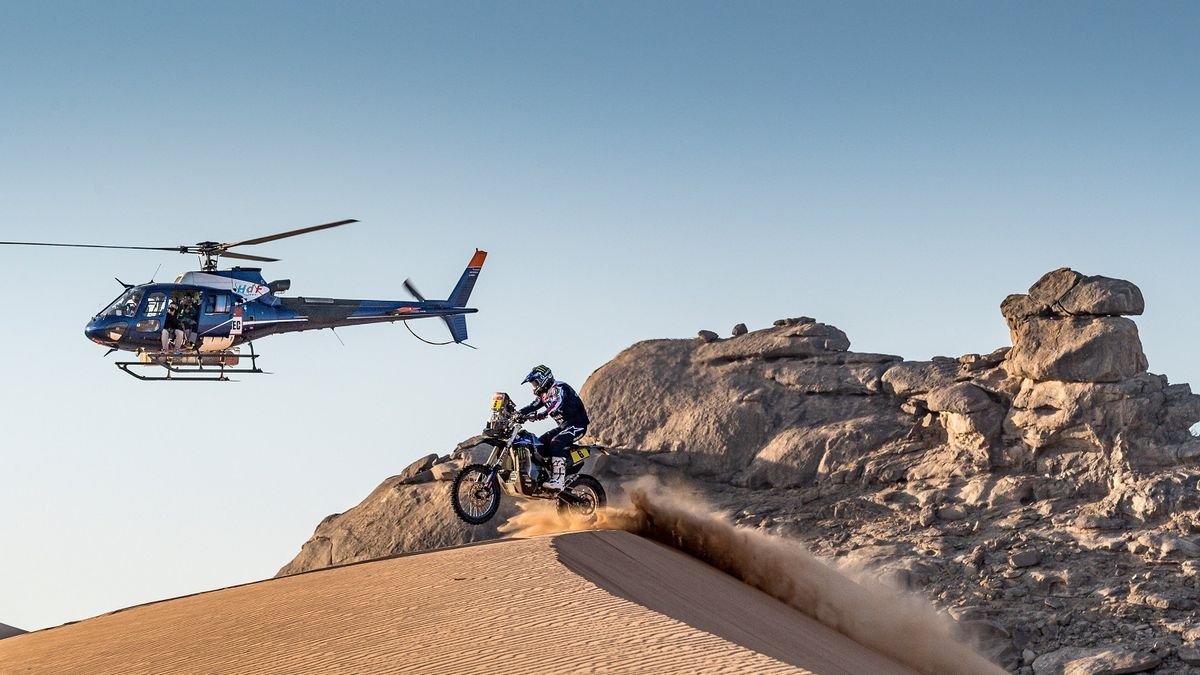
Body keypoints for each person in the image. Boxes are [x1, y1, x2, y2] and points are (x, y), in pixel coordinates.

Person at [517, 364, 590, 491]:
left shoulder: (559, 387)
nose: (534, 386)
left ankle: (559, 480)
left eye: (535, 382)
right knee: (538, 444)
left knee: (556, 442)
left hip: (577, 425)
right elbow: (531, 406)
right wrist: (515, 414)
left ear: (543, 378)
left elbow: (557, 402)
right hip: (563, 427)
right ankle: (546, 474)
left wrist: (543, 414)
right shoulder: (543, 395)